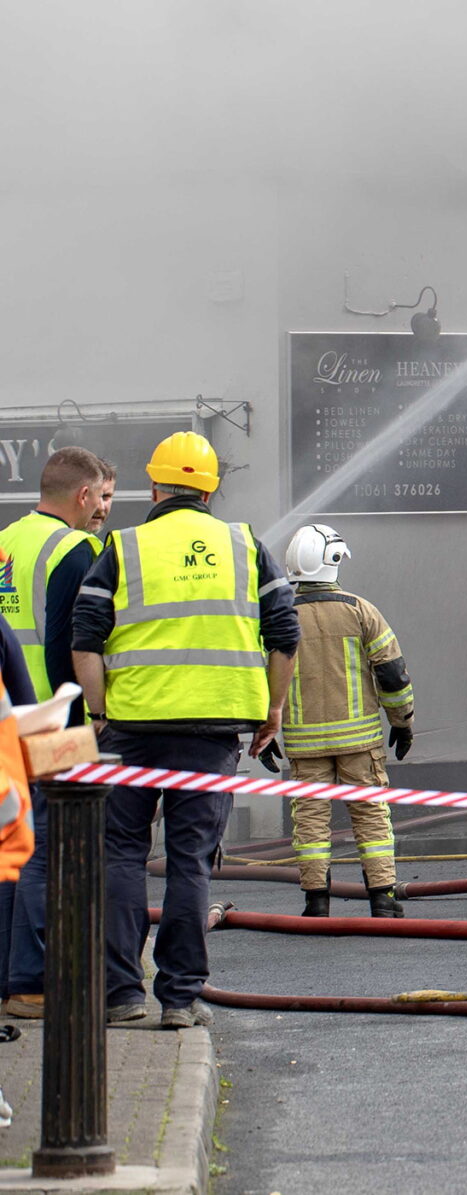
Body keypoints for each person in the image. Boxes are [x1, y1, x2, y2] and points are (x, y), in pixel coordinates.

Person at [68, 431, 298, 1030]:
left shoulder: (123, 546)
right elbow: (284, 635)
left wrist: (99, 713)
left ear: (156, 485)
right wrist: (271, 711)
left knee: (122, 854)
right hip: (213, 730)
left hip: (134, 727)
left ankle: (122, 994)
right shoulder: (246, 544)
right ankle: (178, 1000)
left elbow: (86, 640)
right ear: (210, 489)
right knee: (190, 860)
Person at [0, 447, 110, 1018]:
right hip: (55, 720)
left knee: (9, 849)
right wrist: (95, 716)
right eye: (103, 498)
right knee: (47, 848)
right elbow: (80, 643)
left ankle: (8, 979)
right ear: (83, 495)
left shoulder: (6, 540)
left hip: (6, 723)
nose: (104, 511)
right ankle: (32, 981)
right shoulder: (78, 548)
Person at [270, 525, 416, 919]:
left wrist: (261, 731)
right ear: (333, 561)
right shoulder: (360, 610)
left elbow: (258, 676)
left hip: (304, 745)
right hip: (360, 743)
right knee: (370, 815)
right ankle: (383, 901)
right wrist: (401, 722)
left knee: (311, 822)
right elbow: (392, 674)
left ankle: (316, 903)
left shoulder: (279, 615)